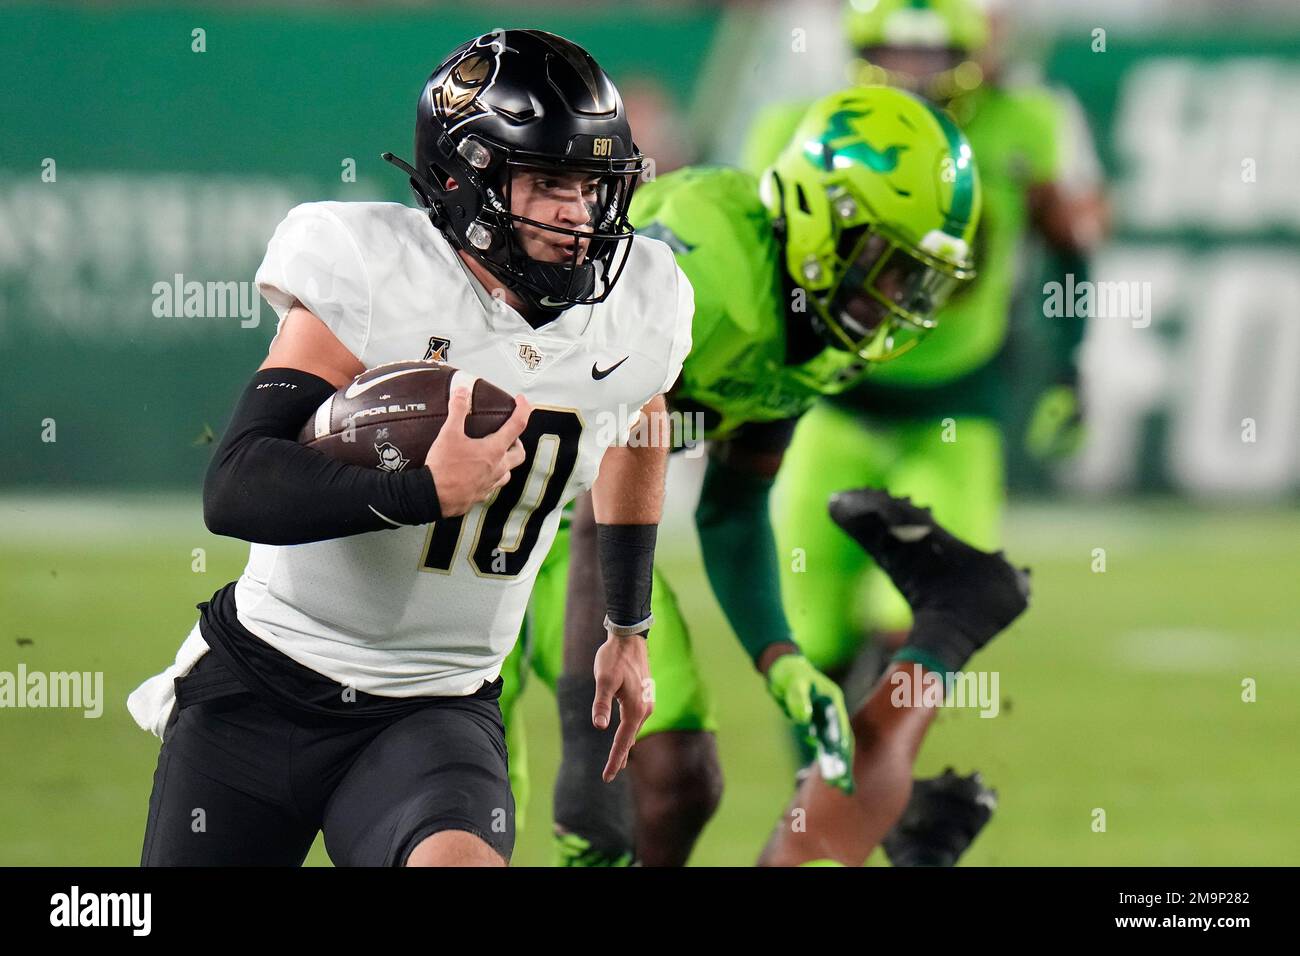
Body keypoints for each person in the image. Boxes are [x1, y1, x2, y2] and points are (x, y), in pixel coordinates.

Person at [127, 29, 693, 867]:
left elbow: (637, 423)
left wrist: (627, 624)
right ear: (467, 177)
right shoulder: (370, 267)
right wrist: (421, 489)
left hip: (436, 704)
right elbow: (238, 483)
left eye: (593, 186)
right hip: (266, 682)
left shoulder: (642, 300)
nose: (579, 215)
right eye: (549, 184)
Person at [505, 84, 991, 866]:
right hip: (493, 493)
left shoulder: (815, 336)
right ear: (820, 213)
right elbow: (610, 440)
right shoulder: (710, 271)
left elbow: (733, 508)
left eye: (913, 281)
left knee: (677, 777)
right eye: (886, 266)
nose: (893, 299)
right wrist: (596, 687)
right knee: (489, 793)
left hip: (586, 507)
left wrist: (781, 657)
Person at [742, 0, 1108, 864]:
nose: (914, 65)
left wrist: (1070, 360)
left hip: (954, 412)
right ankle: (855, 815)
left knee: (917, 628)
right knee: (808, 646)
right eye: (896, 47)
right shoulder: (802, 127)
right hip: (833, 406)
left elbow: (1072, 241)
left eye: (932, 47)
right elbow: (760, 259)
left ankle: (854, 817)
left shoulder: (1026, 122)